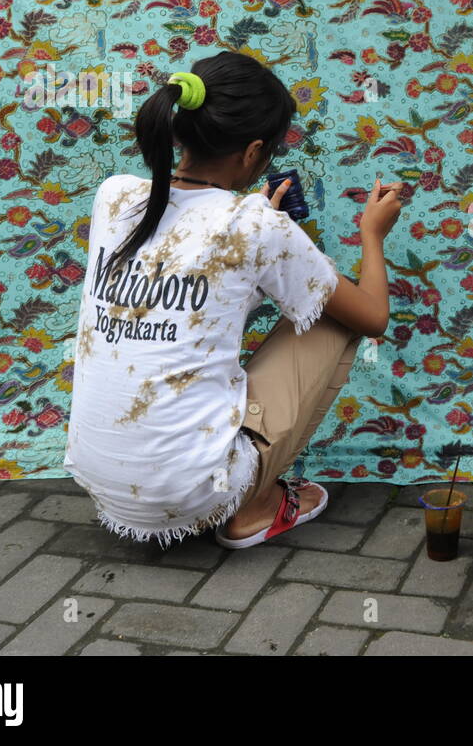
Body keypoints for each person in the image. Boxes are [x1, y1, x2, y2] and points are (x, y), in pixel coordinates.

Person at [65, 52, 405, 550]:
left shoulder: (114, 195)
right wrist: (371, 234)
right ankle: (256, 507)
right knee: (335, 316)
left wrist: (254, 226)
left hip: (100, 480)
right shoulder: (256, 225)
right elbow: (374, 317)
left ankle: (213, 489)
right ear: (252, 152)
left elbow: (189, 261)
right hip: (195, 494)